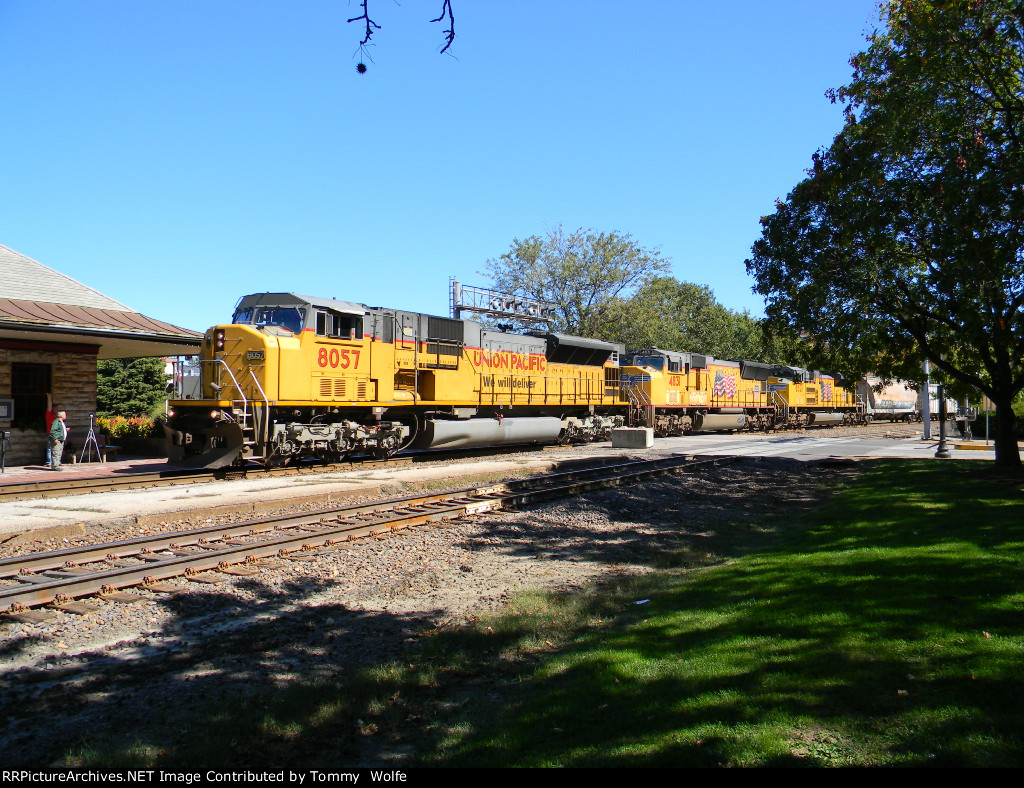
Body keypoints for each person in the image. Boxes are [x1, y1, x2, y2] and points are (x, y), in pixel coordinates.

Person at [44, 393, 59, 466]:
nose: (57, 410)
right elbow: (49, 407)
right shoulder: (49, 414)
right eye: (55, 408)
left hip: (57, 435)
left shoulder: (58, 418)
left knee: (57, 448)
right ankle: (49, 462)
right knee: (50, 448)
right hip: (50, 433)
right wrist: (49, 398)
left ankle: (57, 462)